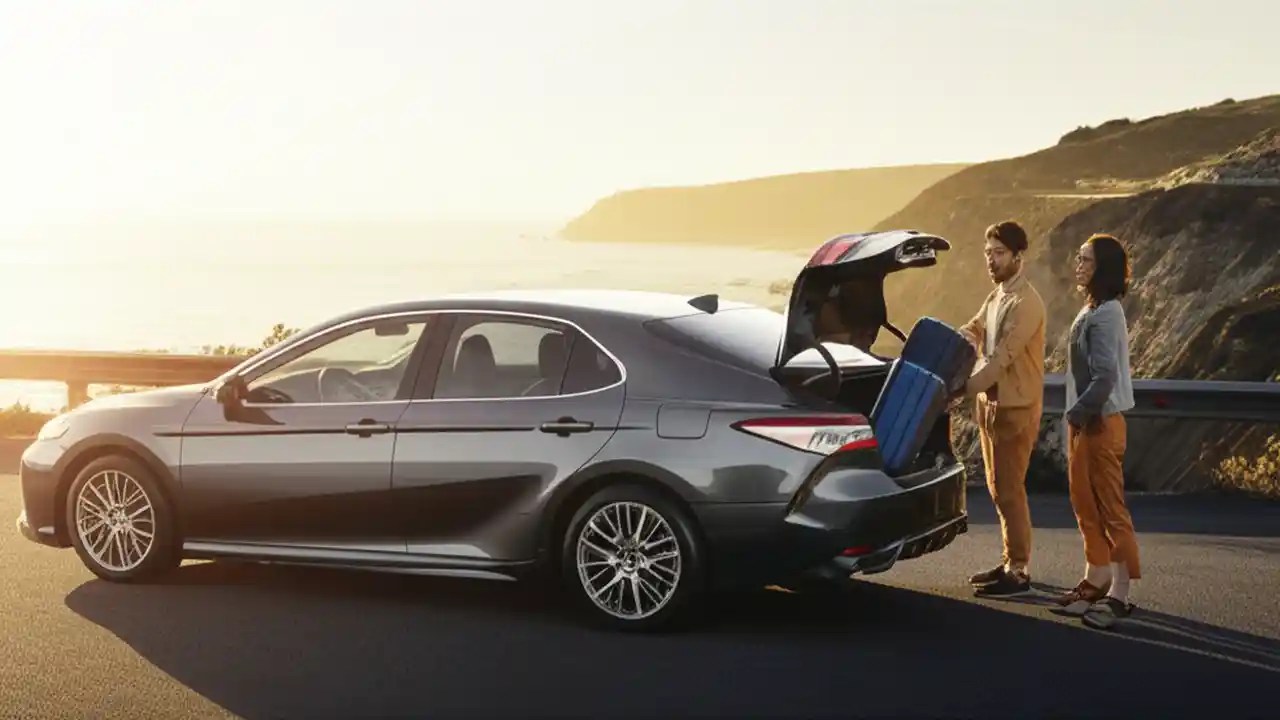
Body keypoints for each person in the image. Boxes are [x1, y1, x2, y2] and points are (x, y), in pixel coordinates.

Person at [1051, 233, 1141, 629]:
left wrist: (1077, 413)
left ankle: (1120, 593)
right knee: (1085, 503)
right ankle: (1096, 576)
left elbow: (1105, 376)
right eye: (1079, 257)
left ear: (1102, 267)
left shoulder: (1107, 313)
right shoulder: (1094, 308)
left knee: (1109, 508)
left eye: (1086, 259)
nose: (1079, 264)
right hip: (1087, 421)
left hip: (1099, 421)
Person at [957, 220, 1046, 597]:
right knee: (996, 489)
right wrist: (954, 341)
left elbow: (1001, 359)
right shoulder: (996, 296)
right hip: (991, 405)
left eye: (998, 254)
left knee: (1010, 489)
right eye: (987, 254)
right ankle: (1010, 560)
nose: (991, 261)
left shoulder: (1027, 302)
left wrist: (959, 388)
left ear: (1017, 256)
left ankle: (1020, 571)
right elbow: (976, 328)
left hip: (1016, 407)